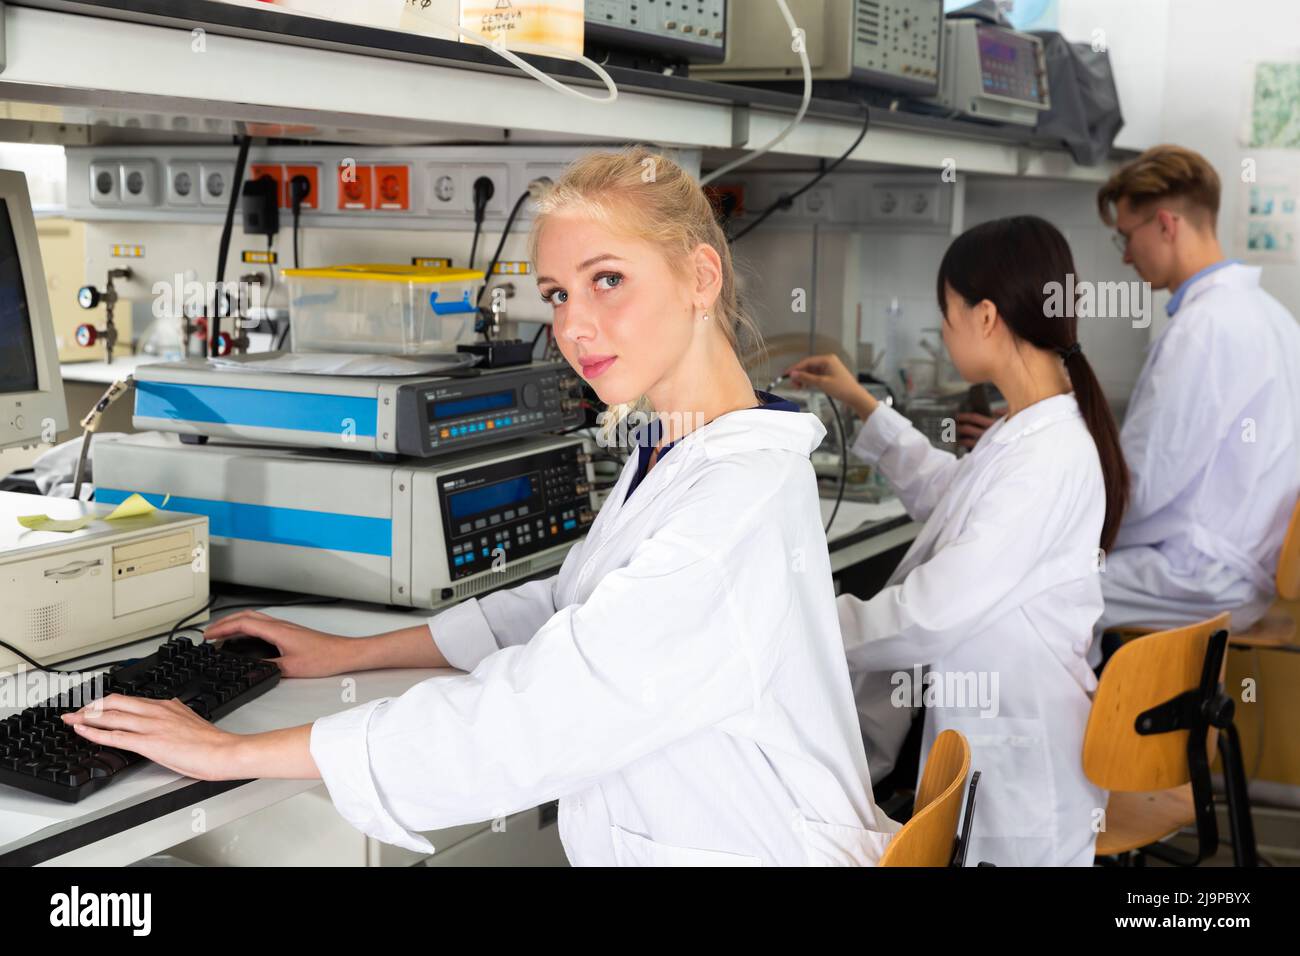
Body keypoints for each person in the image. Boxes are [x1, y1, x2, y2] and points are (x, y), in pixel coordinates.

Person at [62, 148, 900, 866]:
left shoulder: (732, 502)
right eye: (558, 295)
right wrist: (347, 653)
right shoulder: (688, 445)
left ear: (700, 276)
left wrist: (232, 751)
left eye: (608, 280)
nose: (576, 325)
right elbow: (570, 606)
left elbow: (537, 716)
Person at [788, 216, 1129, 866]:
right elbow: (958, 502)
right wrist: (862, 403)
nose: (943, 331)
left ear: (988, 317)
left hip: (1020, 765)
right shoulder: (1030, 428)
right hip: (1005, 739)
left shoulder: (1048, 454)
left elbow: (928, 616)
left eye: (947, 312)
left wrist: (800, 627)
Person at [1093, 144, 1300, 637]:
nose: (1125, 256)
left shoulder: (1202, 328)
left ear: (1166, 224)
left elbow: (1142, 485)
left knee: (1028, 591)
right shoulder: (1273, 315)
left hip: (1203, 573)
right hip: (1244, 562)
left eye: (1126, 236)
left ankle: (1079, 715)